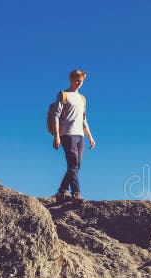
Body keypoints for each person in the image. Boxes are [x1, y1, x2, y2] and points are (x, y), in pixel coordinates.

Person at [52, 69, 96, 203]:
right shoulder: (63, 95)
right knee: (73, 164)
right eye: (77, 80)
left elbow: (83, 120)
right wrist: (56, 135)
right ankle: (76, 193)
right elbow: (55, 115)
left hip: (80, 136)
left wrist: (90, 136)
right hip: (67, 134)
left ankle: (62, 191)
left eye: (81, 81)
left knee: (76, 165)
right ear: (71, 79)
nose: (79, 83)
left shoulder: (82, 99)